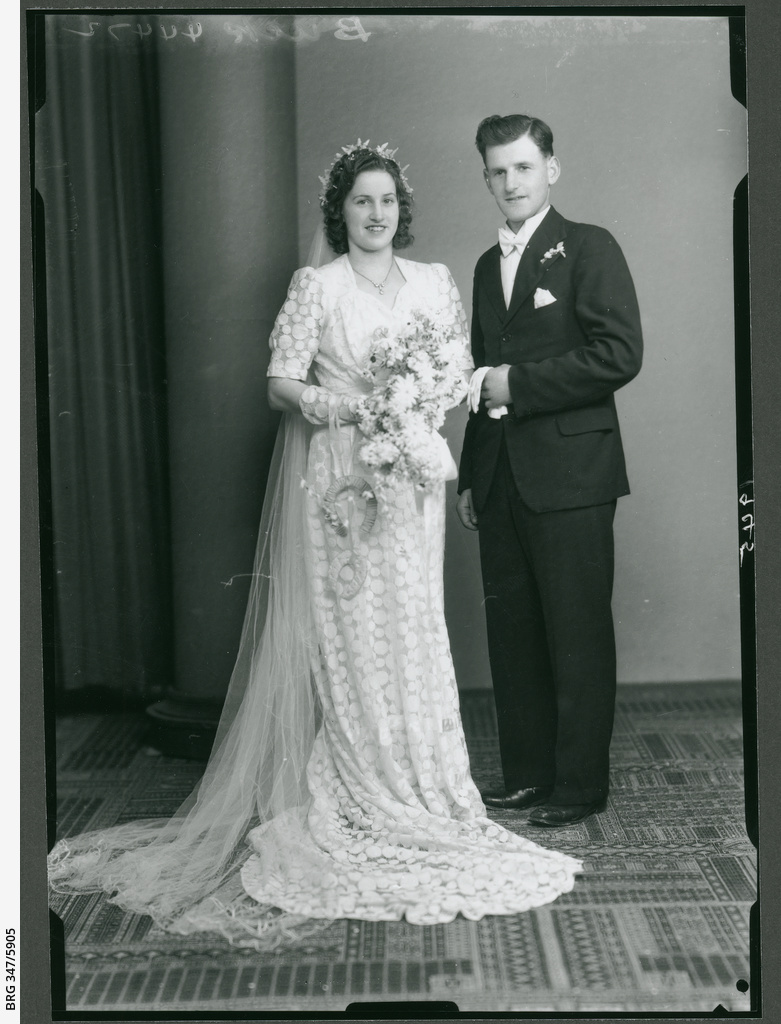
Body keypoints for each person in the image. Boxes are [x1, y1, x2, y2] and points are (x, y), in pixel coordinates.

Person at [49, 141, 581, 949]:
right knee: (353, 635)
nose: (376, 214)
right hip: (339, 479)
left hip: (409, 482)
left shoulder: (434, 281)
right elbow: (279, 382)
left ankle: (429, 789)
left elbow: (455, 370)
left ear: (404, 208)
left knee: (413, 631)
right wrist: (350, 408)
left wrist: (418, 399)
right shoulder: (317, 287)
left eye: (388, 201)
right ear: (341, 211)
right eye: (362, 202)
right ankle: (365, 787)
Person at [456, 115, 643, 827]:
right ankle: (528, 774)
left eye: (523, 168)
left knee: (575, 630)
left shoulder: (590, 247)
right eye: (497, 171)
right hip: (502, 475)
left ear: (550, 170)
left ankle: (578, 783)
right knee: (514, 633)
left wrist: (520, 387)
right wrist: (473, 475)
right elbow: (479, 377)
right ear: (485, 178)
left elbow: (618, 353)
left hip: (573, 474)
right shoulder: (483, 265)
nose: (510, 182)